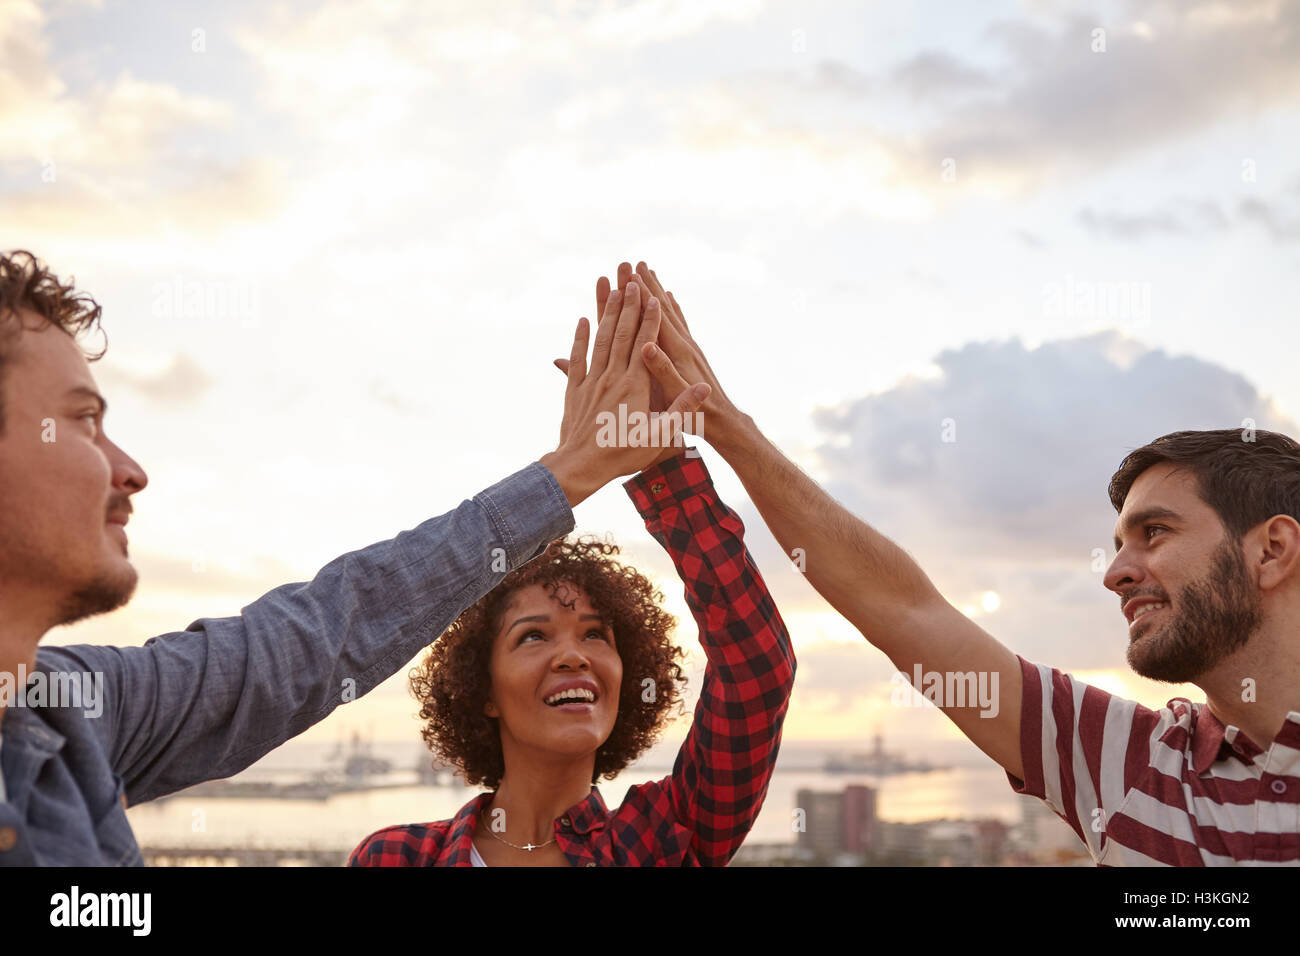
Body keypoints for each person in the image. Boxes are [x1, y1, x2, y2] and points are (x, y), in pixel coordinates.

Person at [0, 249, 710, 865]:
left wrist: (574, 472)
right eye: (84, 420)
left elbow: (332, 627)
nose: (129, 470)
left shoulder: (74, 717)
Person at [588, 260, 1300, 867]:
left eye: (1154, 533)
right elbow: (906, 611)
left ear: (1271, 550)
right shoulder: (1126, 763)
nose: (1115, 573)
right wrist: (721, 430)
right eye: (1118, 545)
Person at [348, 285, 795, 868]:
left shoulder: (659, 840)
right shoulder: (398, 858)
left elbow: (756, 668)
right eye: (533, 635)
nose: (573, 656)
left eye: (595, 634)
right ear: (483, 692)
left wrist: (660, 462)